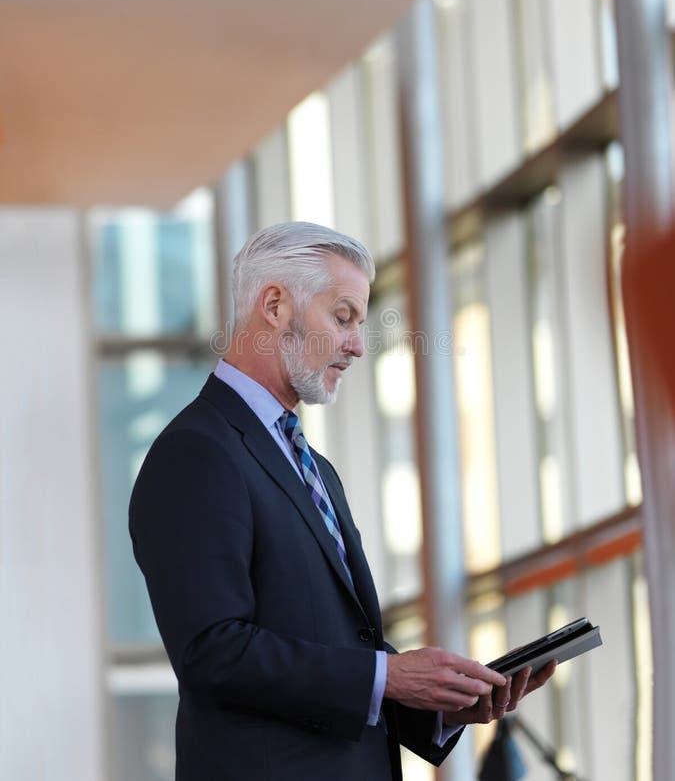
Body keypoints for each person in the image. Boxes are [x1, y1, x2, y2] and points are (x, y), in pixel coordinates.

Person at [129, 221, 555, 781]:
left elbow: (327, 641)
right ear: (276, 305)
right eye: (344, 317)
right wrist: (388, 676)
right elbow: (214, 652)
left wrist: (435, 704)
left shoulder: (315, 469)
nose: (357, 345)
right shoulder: (196, 453)